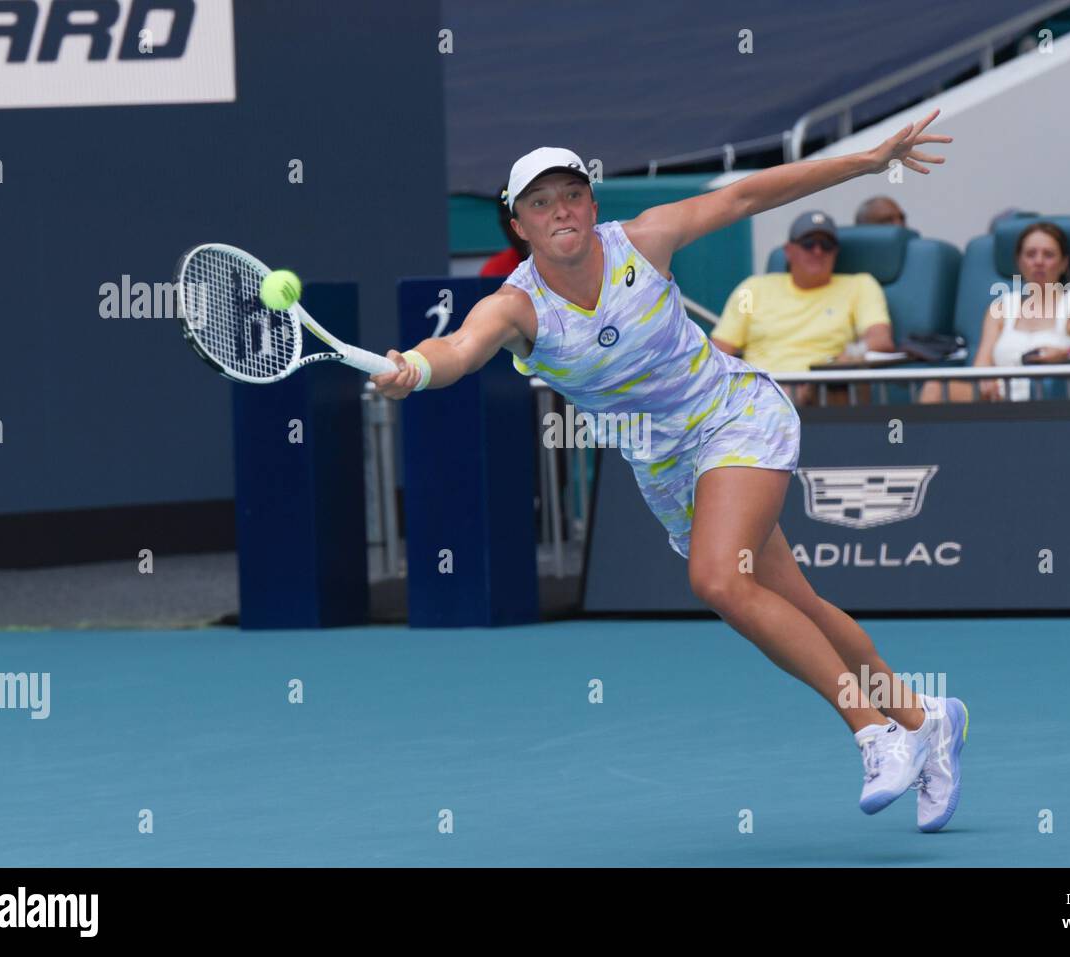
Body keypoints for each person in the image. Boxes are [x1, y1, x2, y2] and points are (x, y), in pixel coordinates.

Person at [372, 111, 970, 830]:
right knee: (798, 605)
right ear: (520, 224)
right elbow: (461, 351)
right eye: (539, 202)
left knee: (719, 579)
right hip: (668, 471)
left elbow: (746, 196)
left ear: (592, 204)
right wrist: (414, 365)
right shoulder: (516, 306)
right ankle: (926, 716)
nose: (559, 210)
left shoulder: (645, 241)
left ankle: (876, 735)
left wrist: (868, 162)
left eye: (570, 195)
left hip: (734, 417)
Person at [919, 221, 1070, 403]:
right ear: (1019, 262)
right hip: (997, 400)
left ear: (1064, 263)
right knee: (934, 389)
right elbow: (982, 362)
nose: (1039, 262)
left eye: (1049, 255)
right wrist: (985, 381)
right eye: (1031, 254)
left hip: (1048, 403)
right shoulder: (1002, 307)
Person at [711, 211, 894, 407]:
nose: (818, 251)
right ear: (788, 251)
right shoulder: (753, 288)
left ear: (836, 251)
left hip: (823, 395)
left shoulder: (860, 285)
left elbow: (880, 340)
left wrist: (843, 361)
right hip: (756, 397)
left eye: (827, 245)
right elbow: (719, 353)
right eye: (808, 243)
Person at [479, 181, 531, 277]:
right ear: (504, 228)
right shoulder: (495, 269)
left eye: (528, 221)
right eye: (513, 226)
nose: (523, 231)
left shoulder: (563, 260)